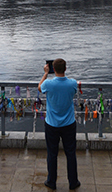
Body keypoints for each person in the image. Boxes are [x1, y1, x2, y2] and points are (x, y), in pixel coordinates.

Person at [38, 58, 81, 190]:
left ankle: (51, 182)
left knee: (52, 154)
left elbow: (40, 88)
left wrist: (45, 74)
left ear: (53, 69)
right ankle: (73, 182)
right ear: (66, 69)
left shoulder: (49, 84)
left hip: (52, 124)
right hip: (68, 124)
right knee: (70, 153)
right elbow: (74, 91)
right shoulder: (72, 83)